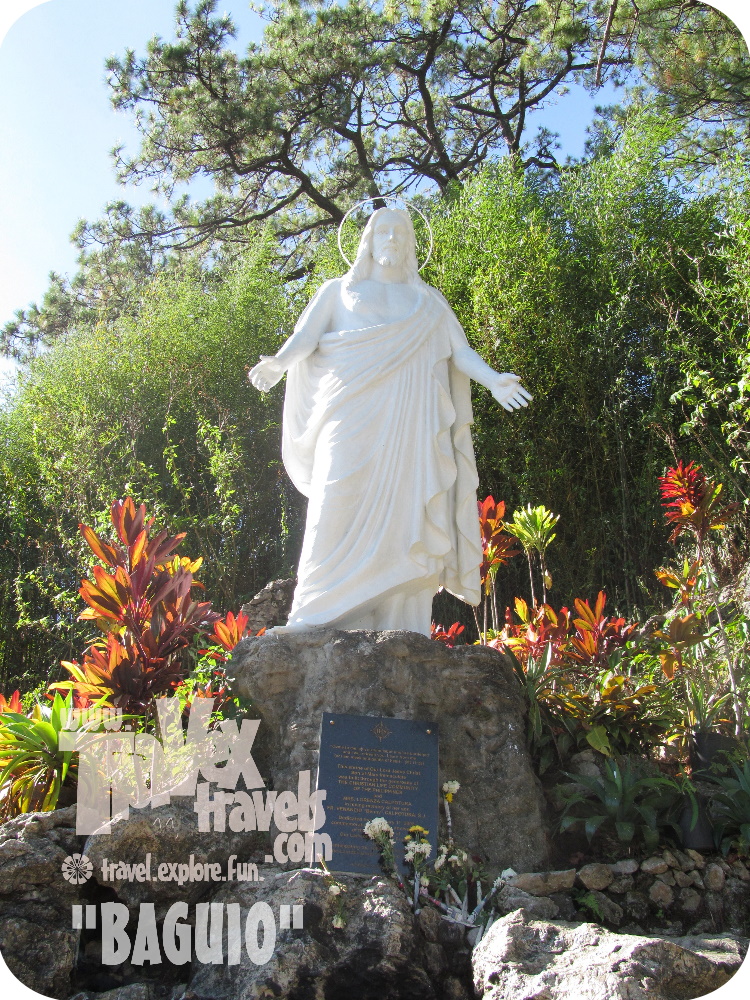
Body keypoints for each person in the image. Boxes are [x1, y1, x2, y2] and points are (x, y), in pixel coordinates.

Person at [249, 207, 530, 635]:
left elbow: (459, 352)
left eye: (401, 232)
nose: (392, 239)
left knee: (406, 518)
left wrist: (493, 380)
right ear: (368, 240)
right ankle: (312, 615)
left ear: (412, 244)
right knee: (333, 500)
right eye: (384, 231)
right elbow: (305, 338)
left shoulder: (428, 303)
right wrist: (278, 363)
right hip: (348, 417)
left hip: (409, 428)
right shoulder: (336, 292)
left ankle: (401, 627)